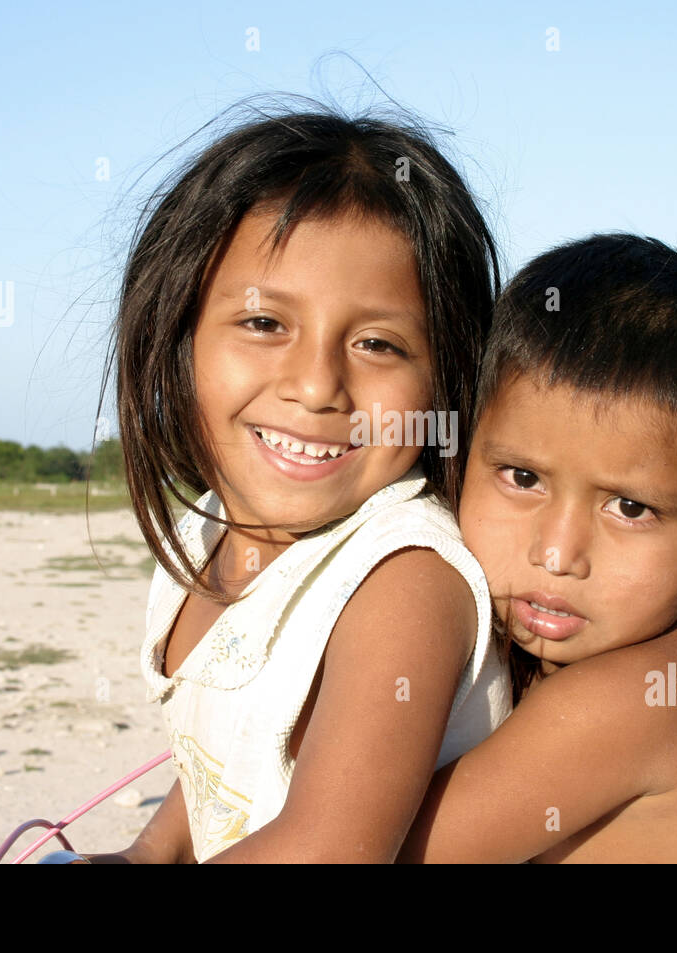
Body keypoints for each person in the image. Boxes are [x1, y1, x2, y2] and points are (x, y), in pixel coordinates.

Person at [86, 108, 511, 863]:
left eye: (378, 343)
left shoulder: (401, 583)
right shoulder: (209, 526)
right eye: (263, 324)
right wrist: (146, 855)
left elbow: (327, 849)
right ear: (178, 333)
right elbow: (230, 749)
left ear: (445, 378)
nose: (318, 386)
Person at [399, 234, 677, 863]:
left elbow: (377, 849)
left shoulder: (640, 696)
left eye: (630, 508)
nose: (557, 555)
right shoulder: (658, 644)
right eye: (523, 479)